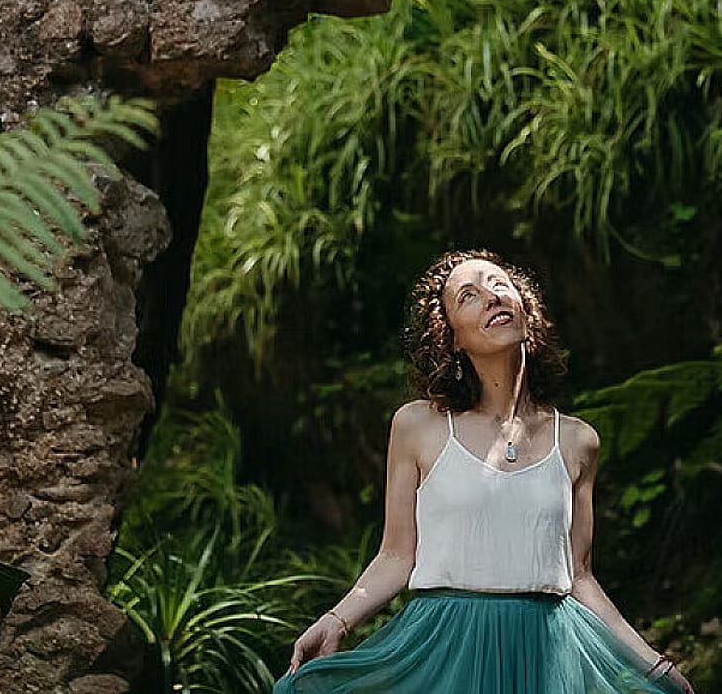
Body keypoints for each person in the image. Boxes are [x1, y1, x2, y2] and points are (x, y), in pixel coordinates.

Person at [272, 249, 695, 694]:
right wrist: (336, 620)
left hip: (547, 655)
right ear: (452, 337)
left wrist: (656, 666)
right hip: (447, 650)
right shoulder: (418, 426)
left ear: (525, 308)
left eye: (498, 285)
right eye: (468, 296)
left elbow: (579, 578)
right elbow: (396, 557)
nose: (492, 297)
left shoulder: (577, 441)